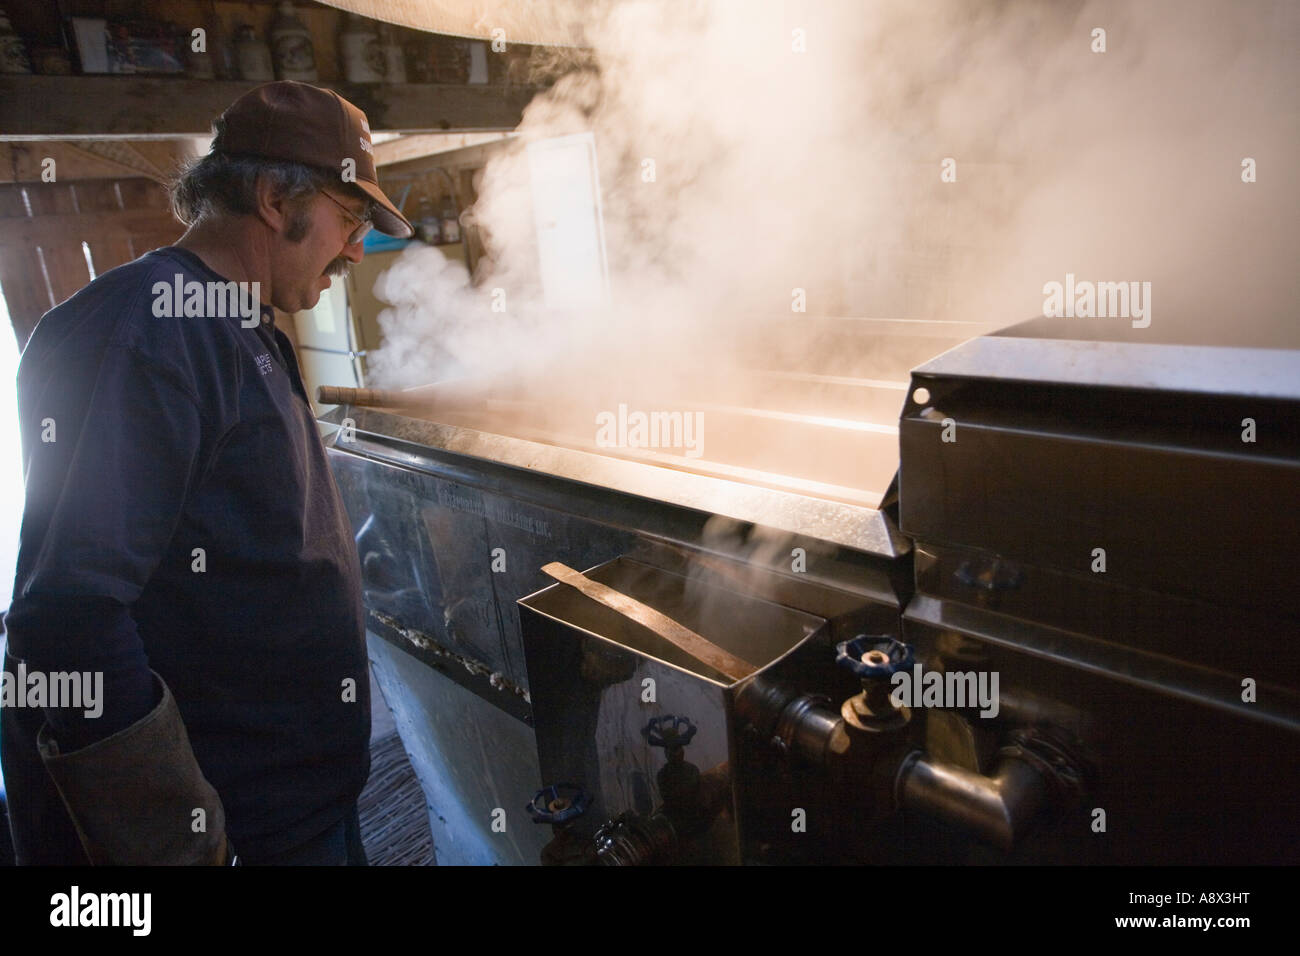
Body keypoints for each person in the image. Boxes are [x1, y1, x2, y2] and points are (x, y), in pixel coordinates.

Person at [1, 82, 412, 865]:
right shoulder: (144, 331)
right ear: (270, 195)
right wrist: (180, 842)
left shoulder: (238, 321)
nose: (359, 248)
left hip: (297, 800)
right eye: (352, 217)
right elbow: (68, 620)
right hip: (228, 827)